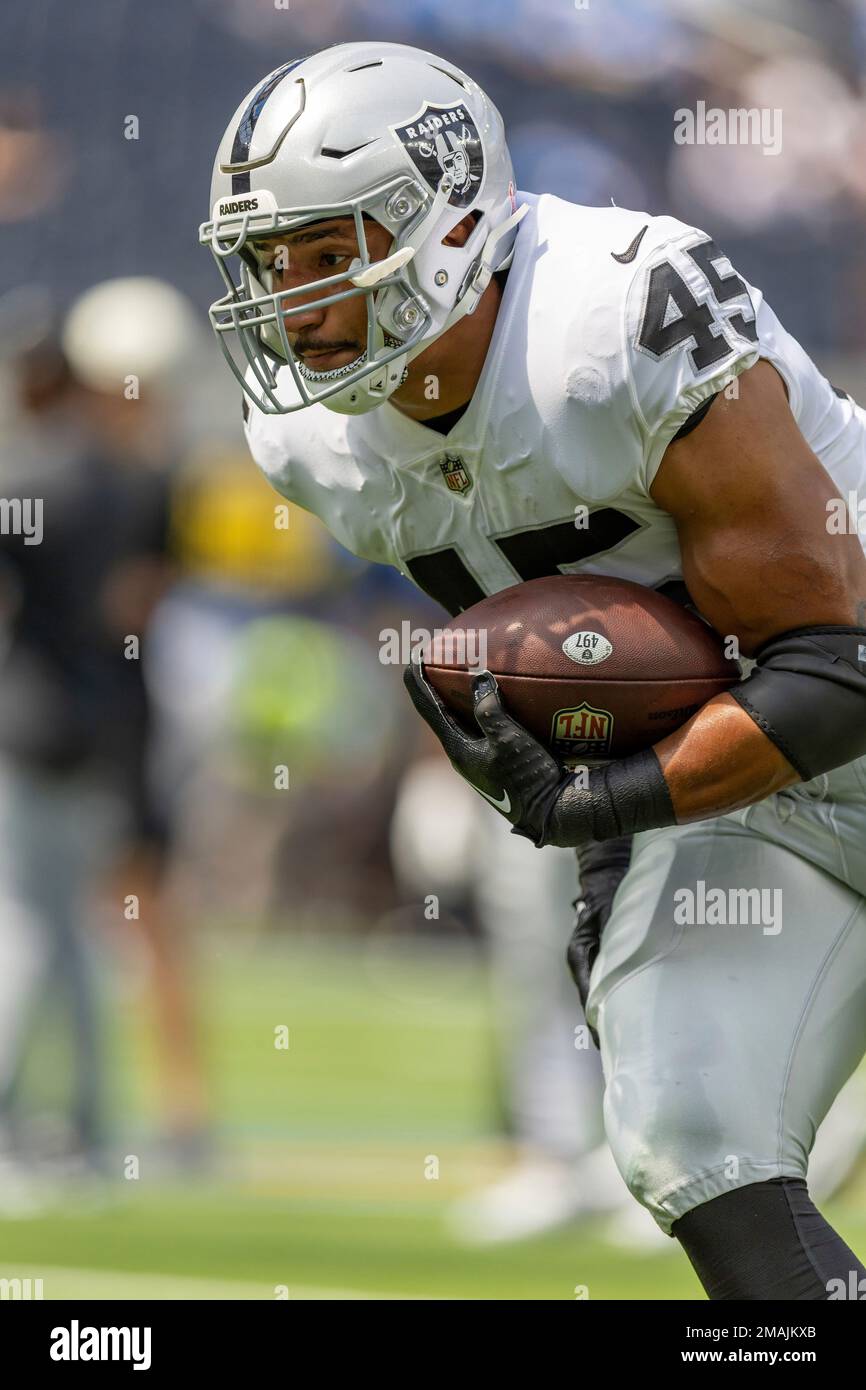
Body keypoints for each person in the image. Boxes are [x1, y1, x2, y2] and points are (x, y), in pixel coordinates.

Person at [199, 41, 866, 1299]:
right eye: (268, 265)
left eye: (327, 255)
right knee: (692, 1136)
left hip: (832, 688)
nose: (294, 305)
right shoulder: (306, 441)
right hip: (745, 781)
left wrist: (606, 811)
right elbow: (552, 630)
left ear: (447, 224)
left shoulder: (617, 312)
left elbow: (837, 663)